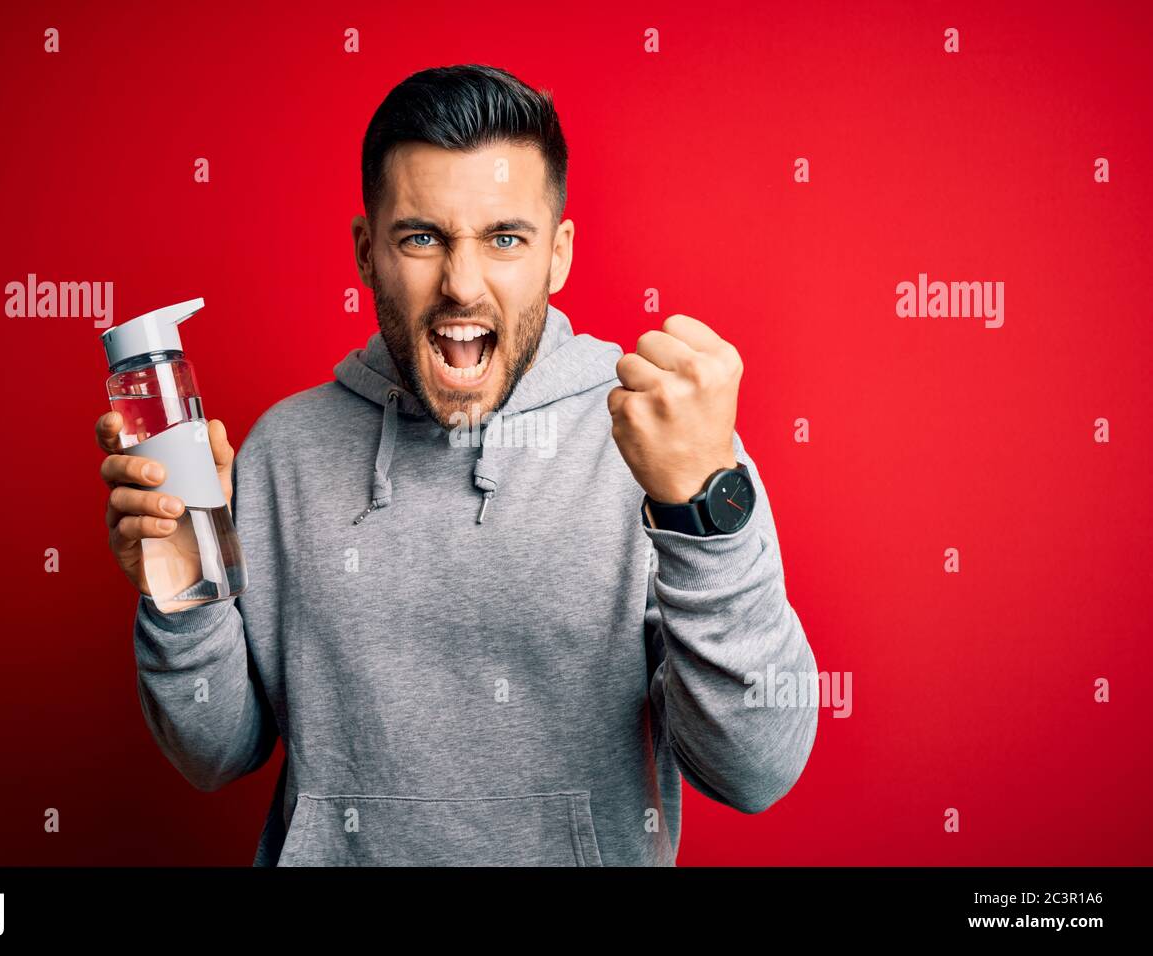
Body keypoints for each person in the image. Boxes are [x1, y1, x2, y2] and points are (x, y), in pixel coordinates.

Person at [95, 63, 818, 866]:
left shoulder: (656, 449)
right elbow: (214, 754)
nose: (461, 285)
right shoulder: (284, 453)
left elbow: (757, 771)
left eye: (505, 239)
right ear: (368, 253)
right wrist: (180, 579)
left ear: (558, 255)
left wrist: (703, 506)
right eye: (421, 239)